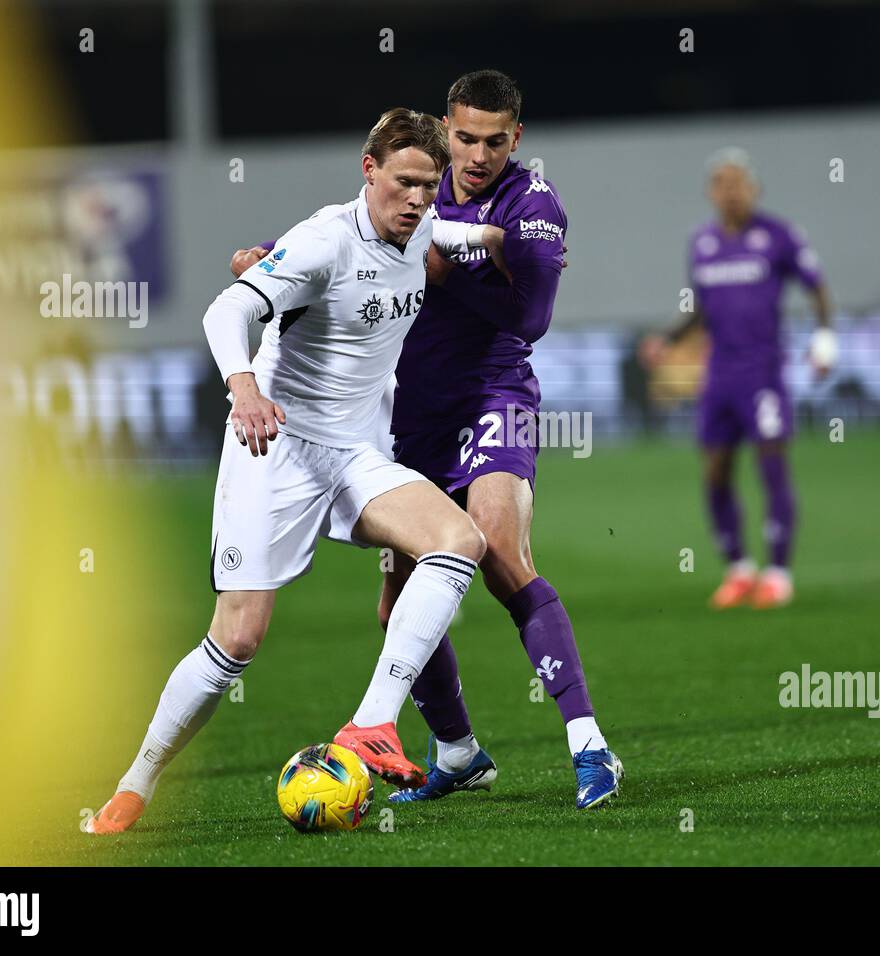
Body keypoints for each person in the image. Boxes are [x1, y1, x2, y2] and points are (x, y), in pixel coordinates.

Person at [87, 108, 507, 834]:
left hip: (355, 455)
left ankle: (372, 724)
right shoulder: (322, 243)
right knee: (237, 641)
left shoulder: (423, 227)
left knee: (458, 540)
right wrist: (244, 386)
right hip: (274, 451)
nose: (415, 199)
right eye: (403, 182)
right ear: (368, 170)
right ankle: (136, 782)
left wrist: (498, 241)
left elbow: (465, 235)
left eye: (428, 187)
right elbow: (227, 311)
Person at [231, 70, 623, 810]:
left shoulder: (532, 205)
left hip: (489, 394)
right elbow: (334, 236)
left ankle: (589, 746)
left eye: (494, 141)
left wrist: (443, 273)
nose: (477, 156)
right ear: (446, 129)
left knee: (501, 552)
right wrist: (260, 256)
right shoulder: (418, 183)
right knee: (399, 604)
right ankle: (459, 752)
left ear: (518, 138)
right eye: (465, 138)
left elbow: (529, 316)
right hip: (405, 414)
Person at [640, 148, 835, 610]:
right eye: (722, 184)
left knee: (771, 467)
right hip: (719, 375)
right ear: (712, 191)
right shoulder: (703, 243)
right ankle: (739, 569)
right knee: (715, 472)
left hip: (763, 374)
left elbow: (817, 286)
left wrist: (826, 339)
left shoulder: (778, 236)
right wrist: (667, 338)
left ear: (754, 188)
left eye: (738, 183)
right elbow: (700, 306)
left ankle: (779, 573)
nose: (730, 192)